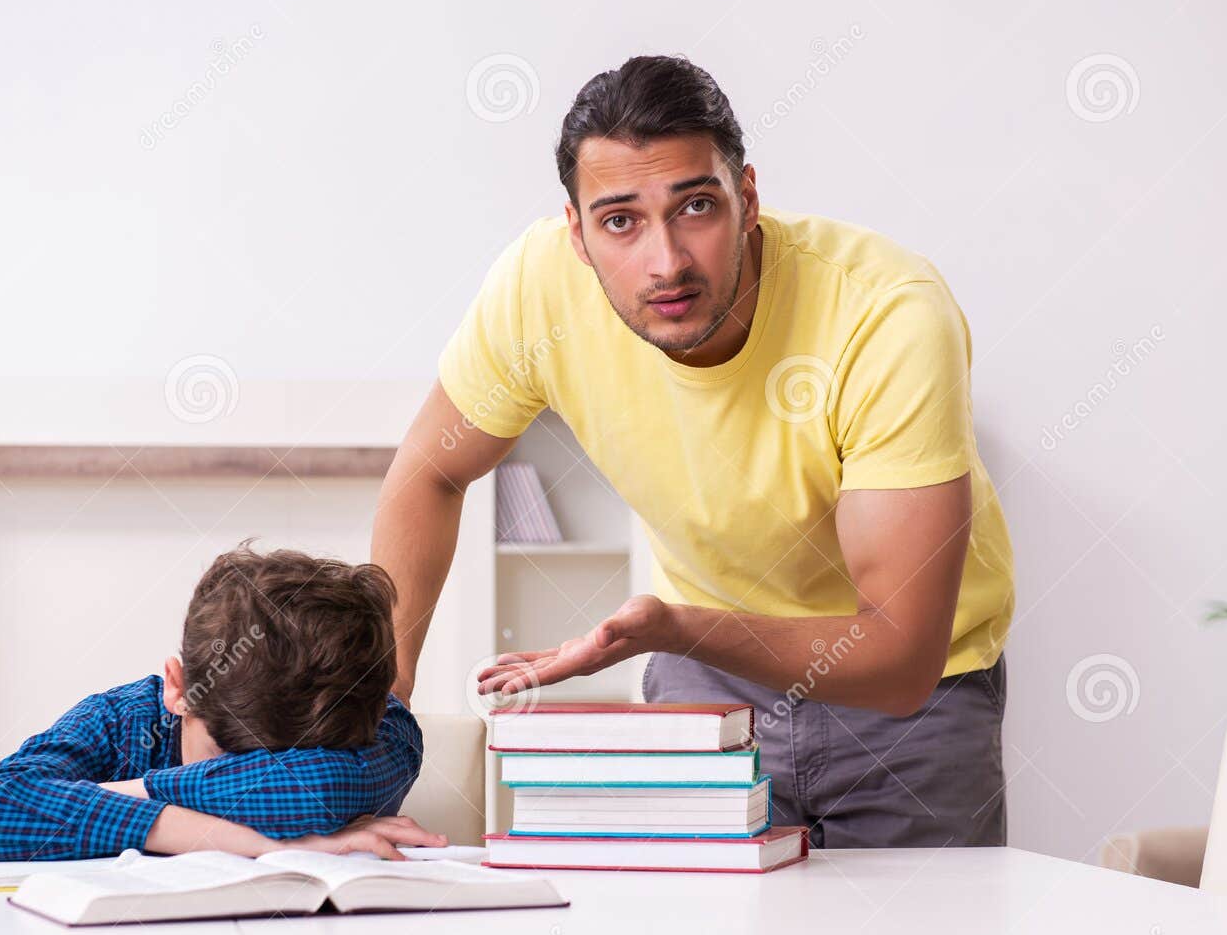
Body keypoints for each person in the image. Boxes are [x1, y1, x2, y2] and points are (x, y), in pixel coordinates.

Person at [373, 55, 1015, 849]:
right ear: (575, 234)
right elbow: (432, 469)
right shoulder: (538, 289)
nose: (666, 261)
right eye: (620, 221)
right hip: (708, 686)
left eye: (696, 206)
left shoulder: (886, 315)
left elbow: (898, 655)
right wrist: (388, 697)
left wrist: (674, 629)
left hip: (910, 706)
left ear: (748, 198)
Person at [0, 543, 446, 861]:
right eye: (223, 761)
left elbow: (321, 783)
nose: (246, 791)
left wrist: (118, 794)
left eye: (261, 771)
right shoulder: (119, 723)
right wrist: (271, 843)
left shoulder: (388, 727)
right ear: (178, 688)